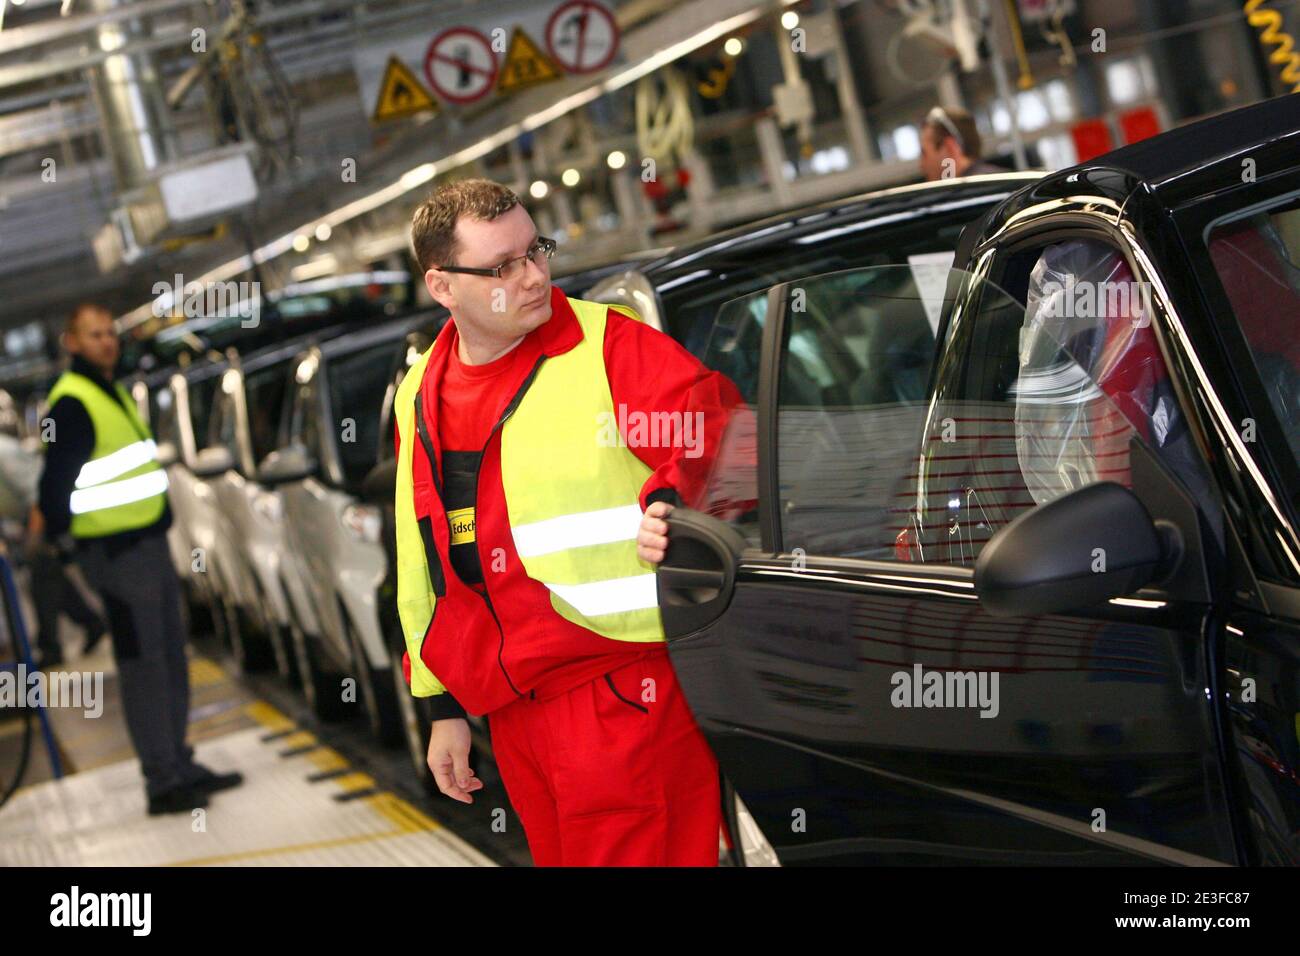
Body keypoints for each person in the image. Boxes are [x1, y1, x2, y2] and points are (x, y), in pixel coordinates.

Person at [395, 178, 741, 866]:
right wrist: (439, 706)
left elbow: (713, 425)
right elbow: (421, 559)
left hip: (620, 695)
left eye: (536, 251)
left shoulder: (603, 347)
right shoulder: (420, 391)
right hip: (512, 711)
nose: (532, 277)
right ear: (442, 286)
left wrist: (668, 502)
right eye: (502, 267)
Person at [36, 303, 243, 816]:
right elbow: (54, 481)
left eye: (110, 332)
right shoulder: (72, 403)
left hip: (144, 547)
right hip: (115, 554)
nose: (107, 341)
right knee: (144, 664)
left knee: (169, 655)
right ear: (73, 342)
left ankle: (177, 761)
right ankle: (163, 780)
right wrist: (64, 544)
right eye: (94, 334)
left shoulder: (108, 390)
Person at [919, 105, 1005, 181]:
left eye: (924, 153)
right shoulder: (1005, 182)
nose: (922, 165)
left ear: (950, 148)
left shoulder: (966, 195)